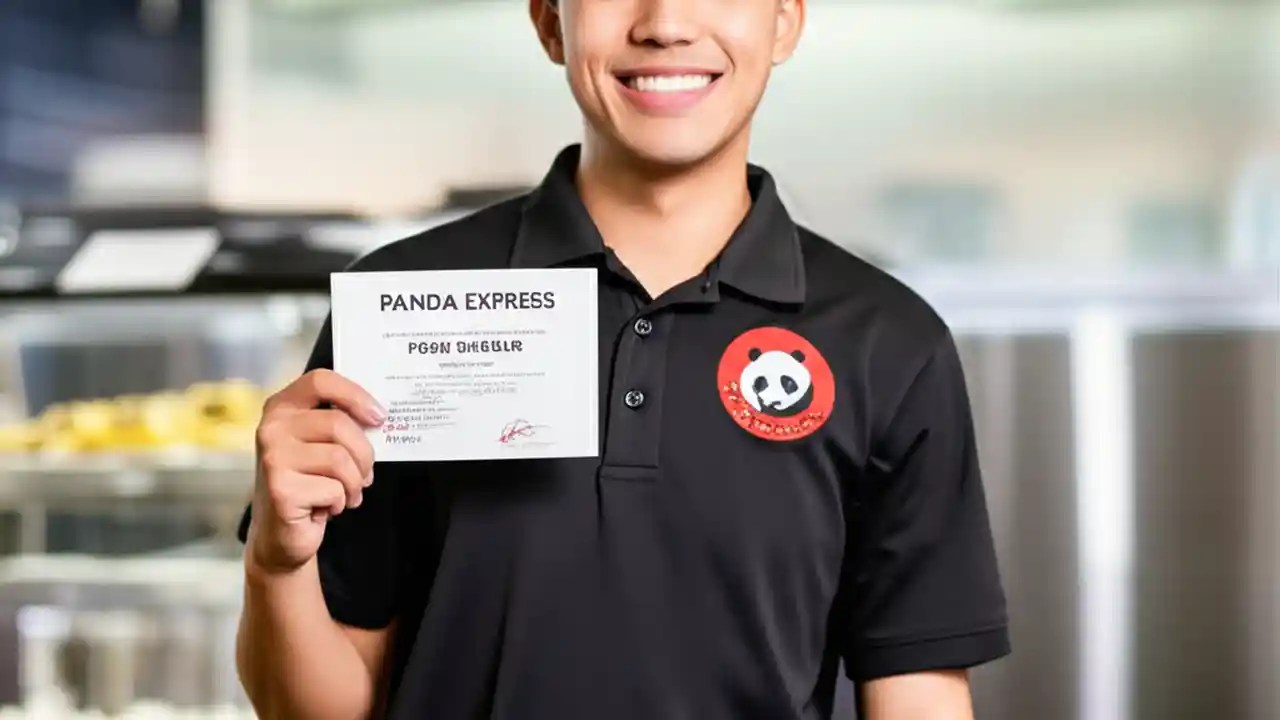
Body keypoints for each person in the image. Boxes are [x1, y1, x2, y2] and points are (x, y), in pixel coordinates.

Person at [235, 0, 1011, 718]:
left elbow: (918, 694)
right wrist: (277, 564)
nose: (666, 23)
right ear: (549, 21)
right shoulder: (404, 300)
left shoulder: (888, 342)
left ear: (784, 20)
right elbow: (319, 710)